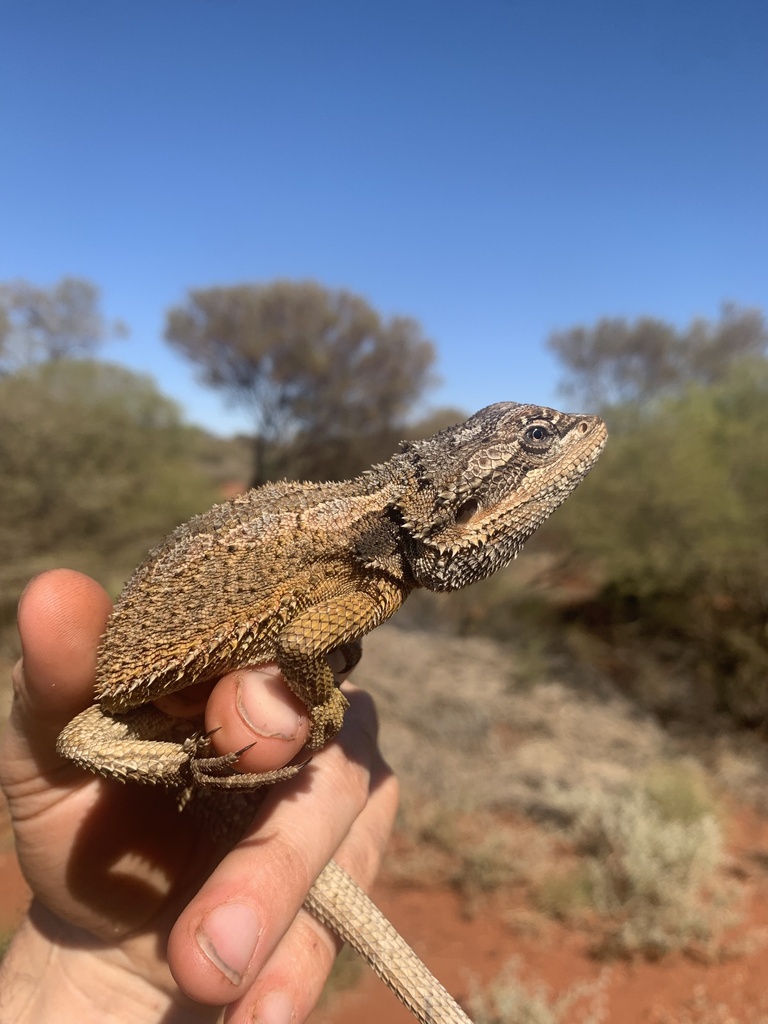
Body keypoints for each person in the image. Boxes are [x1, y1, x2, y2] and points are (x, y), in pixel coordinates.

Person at [0, 569, 398, 1024]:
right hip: (152, 711)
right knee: (80, 741)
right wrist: (185, 761)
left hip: (203, 739)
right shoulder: (367, 577)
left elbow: (300, 643)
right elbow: (299, 645)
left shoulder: (366, 580)